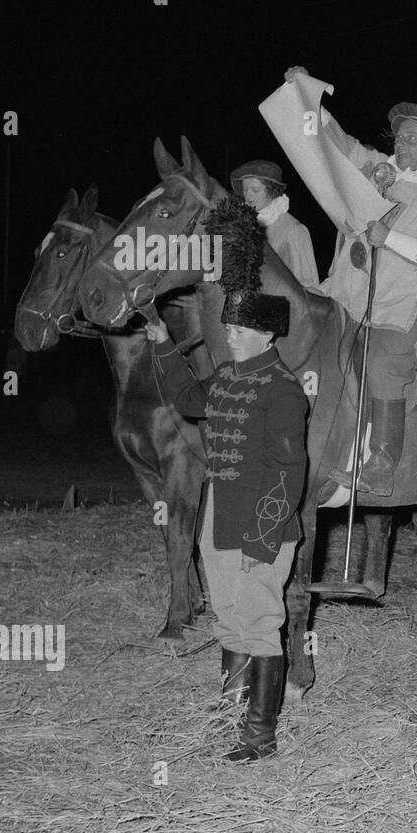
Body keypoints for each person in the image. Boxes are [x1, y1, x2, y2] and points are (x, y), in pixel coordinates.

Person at [145, 282, 308, 763]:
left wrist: (264, 540)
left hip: (262, 523)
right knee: (230, 623)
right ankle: (227, 720)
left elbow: (288, 471)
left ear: (268, 335)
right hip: (219, 518)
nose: (231, 337)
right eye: (229, 329)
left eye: (240, 330)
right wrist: (162, 343)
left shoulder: (283, 391)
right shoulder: (225, 377)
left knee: (259, 623)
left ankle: (259, 737)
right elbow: (188, 399)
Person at [282, 65, 417, 495]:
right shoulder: (376, 170)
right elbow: (339, 146)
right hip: (343, 297)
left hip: (395, 311)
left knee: (382, 362)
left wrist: (392, 238)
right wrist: (308, 99)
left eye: (412, 139)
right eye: (398, 136)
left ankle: (382, 462)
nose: (401, 144)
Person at [229, 160, 320, 290]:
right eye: (245, 190)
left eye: (255, 190)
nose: (248, 196)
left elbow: (308, 289)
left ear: (272, 191)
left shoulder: (293, 231)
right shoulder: (238, 224)